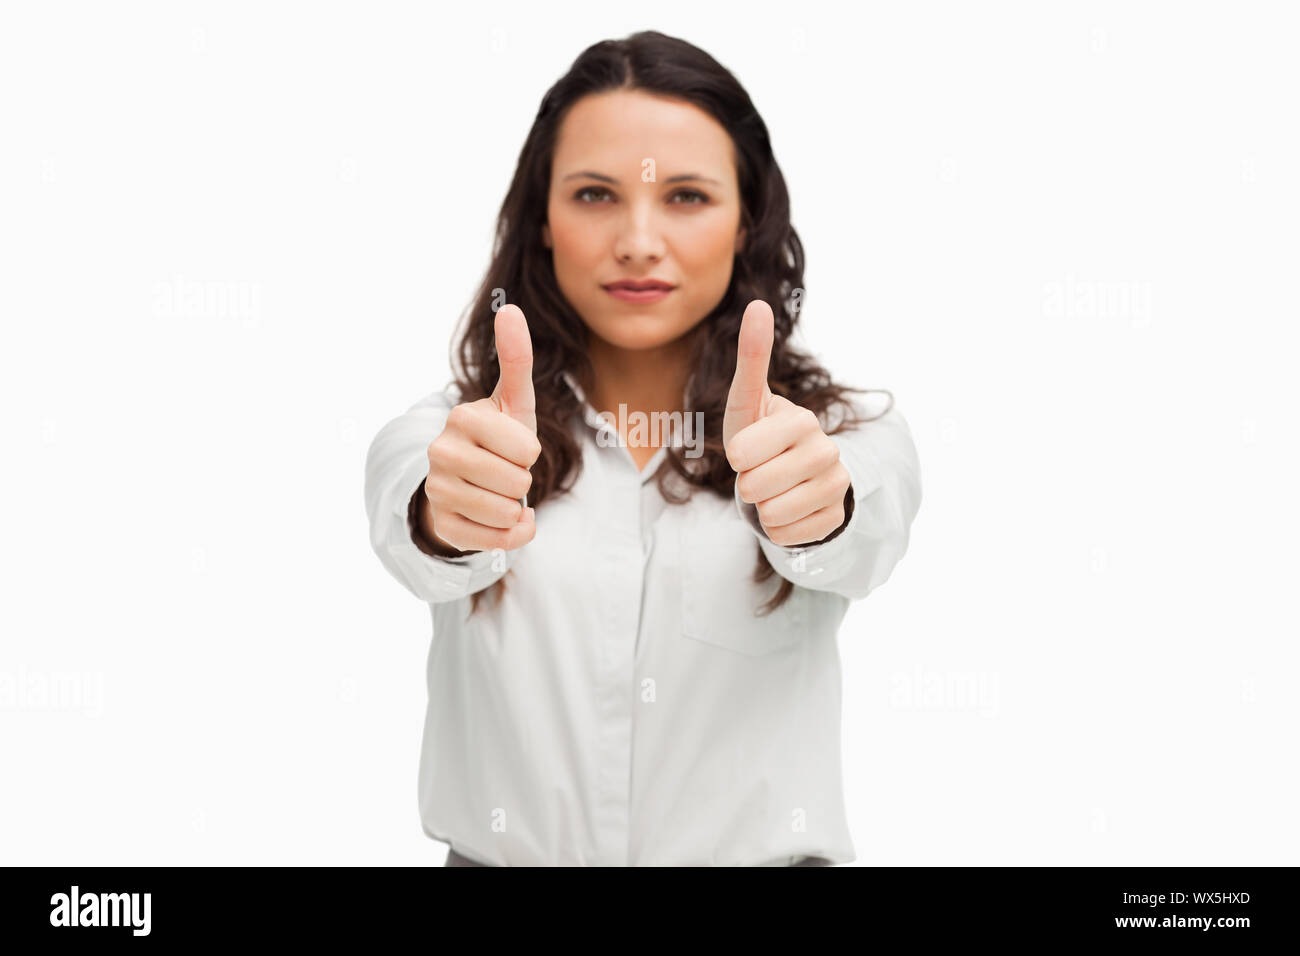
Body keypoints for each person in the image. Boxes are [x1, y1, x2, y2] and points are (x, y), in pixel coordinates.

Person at [363, 30, 922, 866]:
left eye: (687, 196)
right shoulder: (449, 436)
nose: (637, 240)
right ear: (542, 219)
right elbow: (412, 517)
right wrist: (446, 515)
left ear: (747, 221)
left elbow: (866, 523)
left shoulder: (845, 435)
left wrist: (821, 508)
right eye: (594, 194)